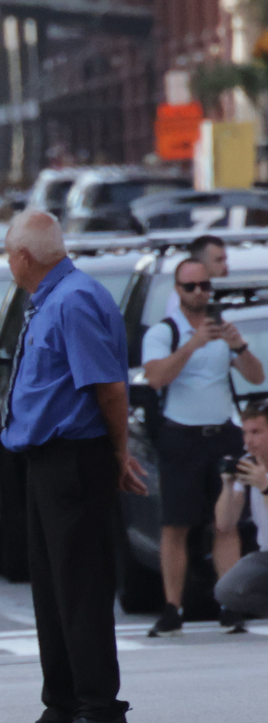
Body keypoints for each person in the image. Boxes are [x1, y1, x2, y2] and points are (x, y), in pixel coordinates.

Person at [0, 210, 145, 723]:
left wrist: (119, 452)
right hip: (46, 462)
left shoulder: (74, 300)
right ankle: (61, 705)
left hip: (76, 457)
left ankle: (100, 709)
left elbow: (109, 388)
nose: (8, 263)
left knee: (81, 586)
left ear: (23, 257)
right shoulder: (50, 299)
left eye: (8, 254)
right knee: (51, 587)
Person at [139, 256, 264, 634]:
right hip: (181, 434)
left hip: (222, 432)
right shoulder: (164, 332)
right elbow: (156, 377)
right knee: (176, 524)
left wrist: (238, 346)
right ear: (177, 290)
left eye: (205, 286)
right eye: (190, 286)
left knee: (226, 523)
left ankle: (229, 604)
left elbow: (256, 377)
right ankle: (172, 606)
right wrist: (192, 344)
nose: (199, 293)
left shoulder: (223, 331)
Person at [213, 404, 268, 621]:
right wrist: (228, 486)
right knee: (227, 590)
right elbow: (225, 523)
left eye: (256, 432)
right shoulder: (248, 464)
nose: (248, 441)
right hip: (266, 553)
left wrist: (264, 487)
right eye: (245, 433)